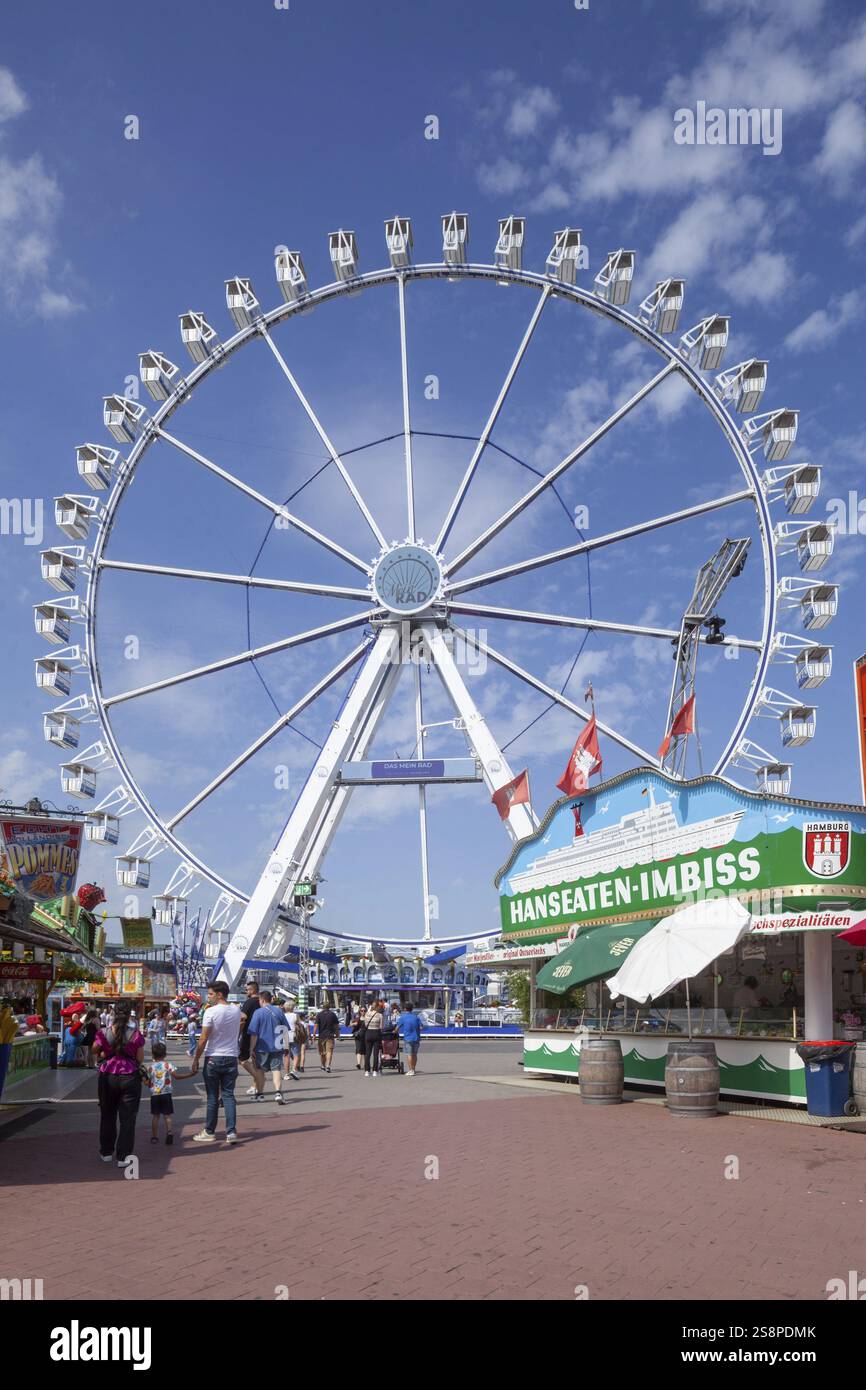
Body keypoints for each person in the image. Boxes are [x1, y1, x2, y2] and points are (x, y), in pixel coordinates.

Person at [93, 1003, 145, 1166]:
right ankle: (123, 1157)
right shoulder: (135, 1034)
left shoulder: (104, 1032)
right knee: (128, 1118)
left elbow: (95, 1049)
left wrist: (104, 1052)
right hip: (130, 1077)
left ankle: (106, 1152)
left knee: (107, 1114)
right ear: (130, 1015)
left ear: (113, 1014)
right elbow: (140, 1058)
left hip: (108, 1075)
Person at [190, 981, 241, 1144]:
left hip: (214, 1056)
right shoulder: (236, 1010)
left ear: (219, 994)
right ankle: (231, 1131)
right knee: (228, 1095)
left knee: (212, 1096)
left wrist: (196, 1058)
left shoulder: (210, 1012)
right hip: (232, 1056)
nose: (208, 996)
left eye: (210, 993)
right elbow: (244, 1019)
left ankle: (209, 1131)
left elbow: (204, 1037)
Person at [145, 1041, 193, 1145]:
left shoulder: (150, 1067)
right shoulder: (168, 1065)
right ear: (165, 1054)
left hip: (155, 1095)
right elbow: (176, 1076)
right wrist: (189, 1075)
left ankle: (154, 1136)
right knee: (167, 1115)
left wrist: (145, 1081)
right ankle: (169, 1132)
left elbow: (148, 1082)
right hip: (166, 1094)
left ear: (152, 1054)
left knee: (156, 1116)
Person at [247, 989, 289, 1105]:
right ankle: (278, 1093)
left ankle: (260, 1094)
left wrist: (251, 1049)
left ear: (262, 1000)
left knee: (260, 1071)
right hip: (277, 1046)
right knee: (276, 1070)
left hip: (261, 1047)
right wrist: (286, 1046)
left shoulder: (258, 1013)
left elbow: (254, 1033)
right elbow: (285, 1030)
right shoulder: (279, 1011)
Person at [238, 980, 264, 1099]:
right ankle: (256, 1085)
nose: (246, 991)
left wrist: (237, 1034)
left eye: (248, 989)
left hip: (248, 1034)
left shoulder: (249, 1002)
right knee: (255, 1062)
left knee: (242, 1059)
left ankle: (258, 1079)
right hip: (261, 1035)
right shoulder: (262, 1002)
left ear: (253, 990)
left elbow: (242, 1018)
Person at [314, 1000, 341, 1073]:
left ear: (323, 1007)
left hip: (321, 1036)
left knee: (322, 1052)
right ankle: (328, 1066)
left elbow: (316, 1025)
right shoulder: (333, 1015)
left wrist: (313, 1034)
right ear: (329, 1006)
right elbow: (336, 1026)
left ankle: (323, 1066)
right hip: (330, 1036)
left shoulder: (319, 1015)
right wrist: (338, 1035)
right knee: (329, 1052)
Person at [397, 1003, 423, 1076]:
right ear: (412, 1009)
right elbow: (421, 1027)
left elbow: (397, 1028)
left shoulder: (403, 1017)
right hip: (416, 1038)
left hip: (408, 1038)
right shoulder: (416, 1017)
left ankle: (410, 1070)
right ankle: (413, 1069)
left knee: (409, 1054)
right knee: (414, 1054)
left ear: (405, 1009)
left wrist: (394, 1031)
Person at [363, 999, 384, 1077]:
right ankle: (375, 1070)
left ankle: (367, 1071)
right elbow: (381, 1027)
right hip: (376, 1033)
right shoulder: (380, 1015)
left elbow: (365, 1025)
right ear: (378, 1007)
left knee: (368, 1053)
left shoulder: (367, 1014)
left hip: (368, 1033)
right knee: (376, 1053)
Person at [281, 998, 299, 1082]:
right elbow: (298, 1026)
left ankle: (286, 1074)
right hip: (294, 1035)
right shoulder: (295, 1015)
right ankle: (294, 1070)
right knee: (295, 1055)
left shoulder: (282, 1015)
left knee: (286, 1055)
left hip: (285, 1035)